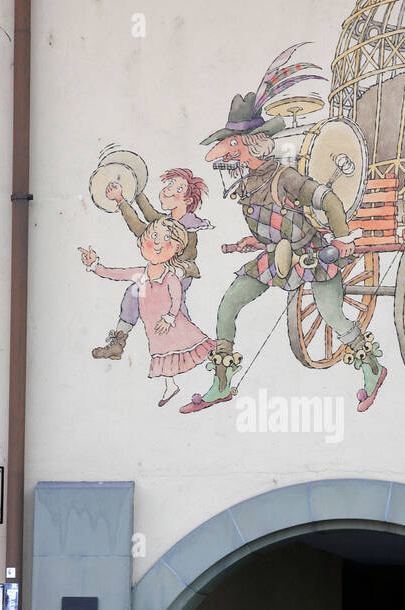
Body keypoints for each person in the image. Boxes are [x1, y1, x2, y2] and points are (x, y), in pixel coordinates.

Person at [181, 54, 387, 414]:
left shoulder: (285, 177)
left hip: (312, 256)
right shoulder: (247, 186)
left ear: (251, 145)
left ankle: (373, 370)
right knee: (228, 305)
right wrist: (253, 242)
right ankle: (221, 383)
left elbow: (331, 200)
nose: (226, 156)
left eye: (234, 146)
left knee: (333, 316)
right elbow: (272, 227)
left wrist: (341, 239)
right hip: (276, 257)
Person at [79, 219, 214, 406]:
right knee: (163, 353)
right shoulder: (141, 274)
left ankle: (216, 364)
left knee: (192, 343)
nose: (158, 242)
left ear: (177, 248)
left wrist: (169, 318)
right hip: (153, 327)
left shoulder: (170, 277)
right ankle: (170, 385)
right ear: (143, 241)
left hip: (172, 324)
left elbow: (176, 299)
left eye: (167, 238)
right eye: (154, 236)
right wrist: (95, 265)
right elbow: (115, 273)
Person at [91, 168, 211, 360]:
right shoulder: (167, 220)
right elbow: (149, 214)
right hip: (160, 273)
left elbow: (141, 227)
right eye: (169, 185)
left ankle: (196, 347)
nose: (168, 190)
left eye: (176, 187)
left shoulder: (187, 224)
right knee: (135, 294)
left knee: (175, 308)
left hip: (180, 274)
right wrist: (134, 189)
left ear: (187, 200)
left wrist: (121, 200)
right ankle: (118, 342)